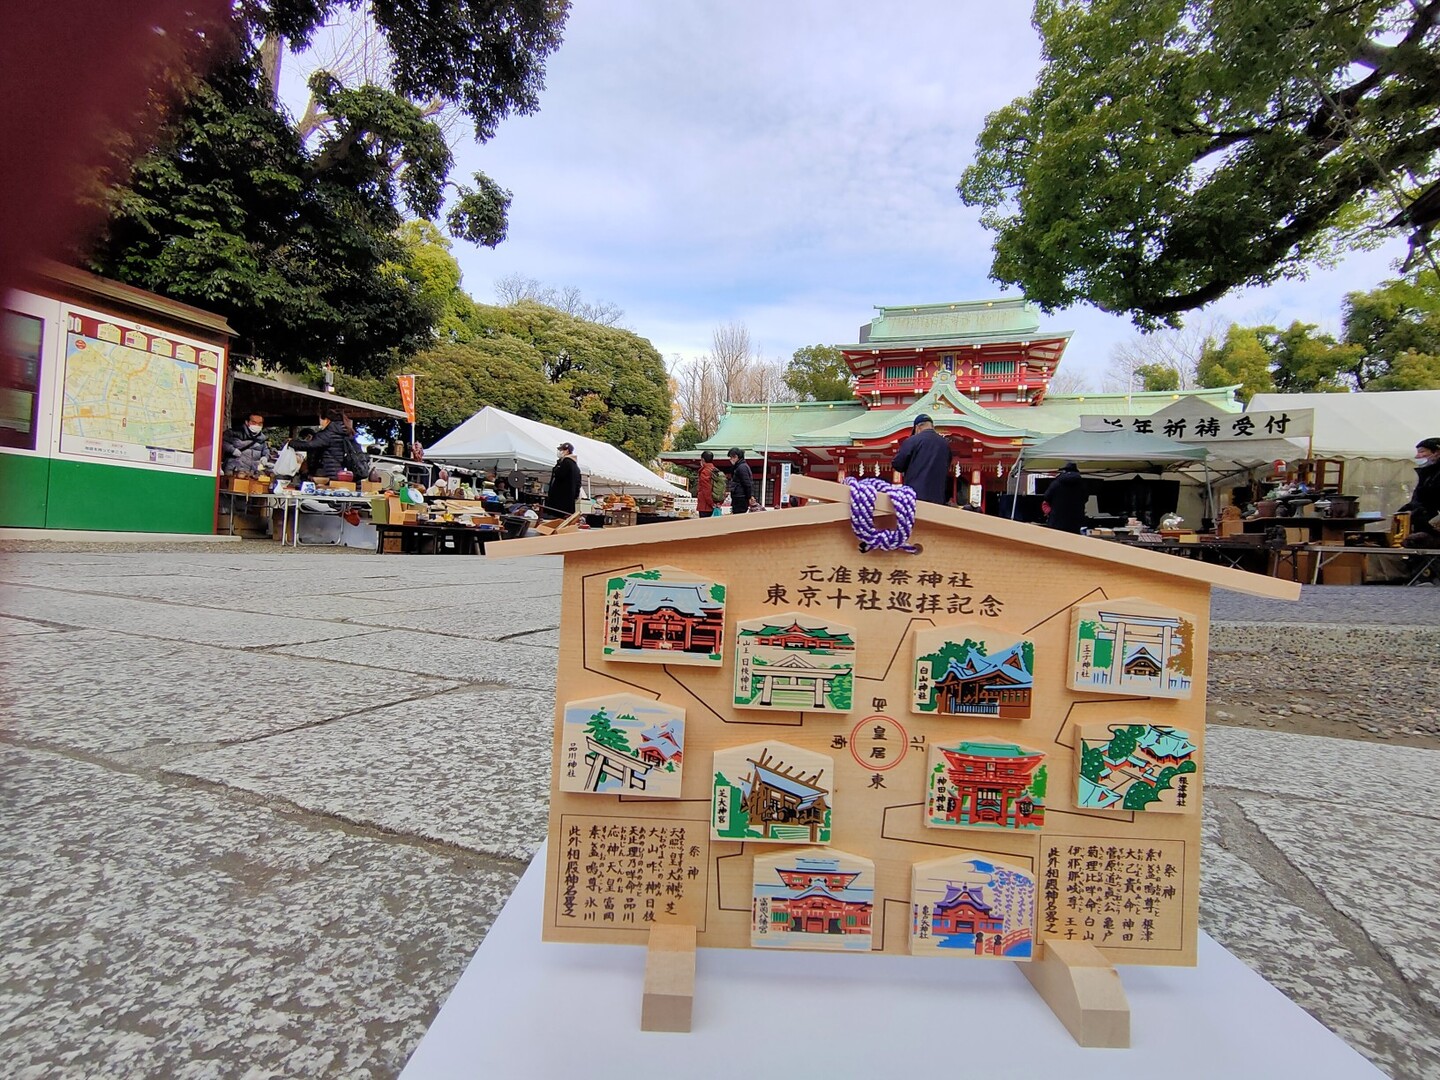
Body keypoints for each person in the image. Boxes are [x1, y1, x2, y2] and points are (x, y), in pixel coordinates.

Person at [890, 413, 951, 504]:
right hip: (938, 496)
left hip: (915, 495)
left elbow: (898, 464)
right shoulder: (945, 444)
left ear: (917, 428)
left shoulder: (912, 440)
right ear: (932, 426)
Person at [287, 409, 355, 480]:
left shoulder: (327, 434)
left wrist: (291, 443)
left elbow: (310, 445)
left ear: (326, 420)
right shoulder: (345, 431)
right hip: (340, 471)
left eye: (320, 420)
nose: (320, 423)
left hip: (327, 472)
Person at [1399, 437, 1440, 547]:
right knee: (1382, 549)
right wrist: (1403, 511)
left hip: (1433, 530)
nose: (1418, 456)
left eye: (1422, 452)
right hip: (1422, 526)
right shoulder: (1427, 475)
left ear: (1436, 452)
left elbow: (1430, 501)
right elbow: (1419, 499)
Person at [1043, 461, 1087, 533]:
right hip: (1075, 522)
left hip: (1056, 521)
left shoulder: (1056, 483)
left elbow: (1046, 497)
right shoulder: (1081, 484)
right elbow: (1085, 498)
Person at [547, 441, 582, 515]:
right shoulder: (576, 466)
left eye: (561, 450)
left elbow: (559, 475)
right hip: (569, 501)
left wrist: (557, 466)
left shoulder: (565, 463)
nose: (560, 452)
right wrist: (575, 495)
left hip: (560, 500)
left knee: (556, 520)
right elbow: (578, 483)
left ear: (567, 451)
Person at [726, 448, 755, 514]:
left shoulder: (742, 467)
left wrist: (749, 496)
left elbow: (747, 484)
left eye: (731, 457)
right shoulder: (739, 466)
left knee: (739, 515)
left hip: (741, 497)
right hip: (739, 496)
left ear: (736, 457)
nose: (730, 459)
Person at [696, 450, 720, 517]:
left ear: (703, 459)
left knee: (704, 525)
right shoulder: (715, 470)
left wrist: (711, 503)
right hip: (715, 501)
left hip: (705, 505)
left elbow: (706, 489)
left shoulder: (704, 472)